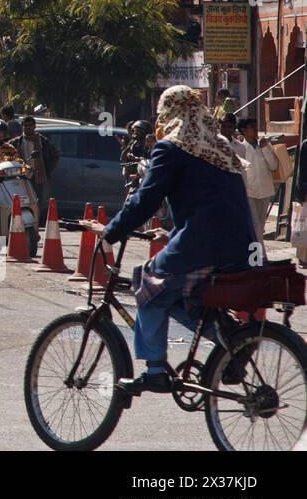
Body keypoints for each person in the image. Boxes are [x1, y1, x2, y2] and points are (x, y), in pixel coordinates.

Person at [87, 85, 257, 395]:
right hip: (241, 246)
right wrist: (171, 233)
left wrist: (111, 231)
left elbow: (146, 199)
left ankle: (154, 372)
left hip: (203, 245)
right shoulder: (217, 146)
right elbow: (210, 201)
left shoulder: (173, 147)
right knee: (180, 297)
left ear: (170, 113)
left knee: (147, 285)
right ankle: (231, 338)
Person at [232, 117, 278, 248]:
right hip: (249, 192)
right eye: (252, 128)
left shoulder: (265, 145)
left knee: (260, 226)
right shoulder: (241, 148)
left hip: (265, 190)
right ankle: (260, 257)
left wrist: (265, 149)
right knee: (255, 226)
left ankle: (255, 257)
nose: (256, 130)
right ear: (244, 131)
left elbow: (273, 166)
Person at [14, 116, 60, 221]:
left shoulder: (42, 140)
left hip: (39, 175)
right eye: (26, 126)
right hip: (23, 176)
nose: (28, 128)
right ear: (22, 127)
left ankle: (36, 222)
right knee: (23, 199)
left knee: (38, 200)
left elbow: (55, 155)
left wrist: (48, 169)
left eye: (30, 125)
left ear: (35, 126)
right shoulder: (17, 142)